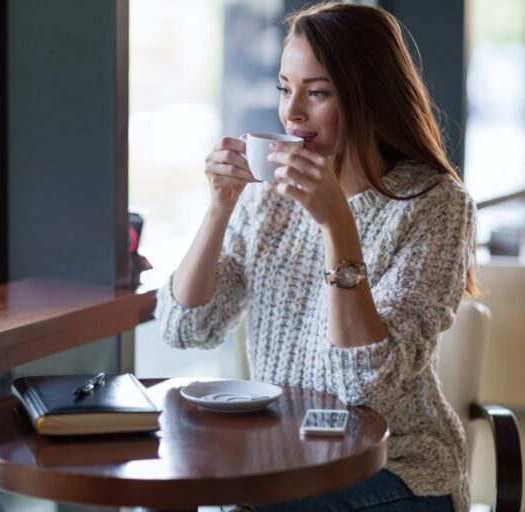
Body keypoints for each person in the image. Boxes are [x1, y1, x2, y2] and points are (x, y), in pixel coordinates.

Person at [155, 3, 476, 511]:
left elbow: (362, 381)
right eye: (285, 88)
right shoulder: (267, 200)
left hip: (397, 467)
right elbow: (187, 327)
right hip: (284, 461)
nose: (292, 112)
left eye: (317, 92)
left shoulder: (435, 205)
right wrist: (219, 208)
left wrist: (336, 225)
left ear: (369, 97)